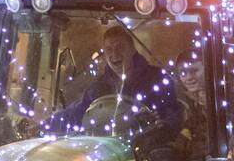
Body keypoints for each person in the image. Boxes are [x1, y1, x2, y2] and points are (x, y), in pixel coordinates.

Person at [47, 25, 181, 138]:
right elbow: (77, 113)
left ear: (132, 50)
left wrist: (162, 122)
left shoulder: (157, 79)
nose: (114, 54)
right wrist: (45, 126)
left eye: (120, 47)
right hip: (109, 151)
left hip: (147, 148)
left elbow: (174, 113)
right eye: (109, 50)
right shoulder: (98, 87)